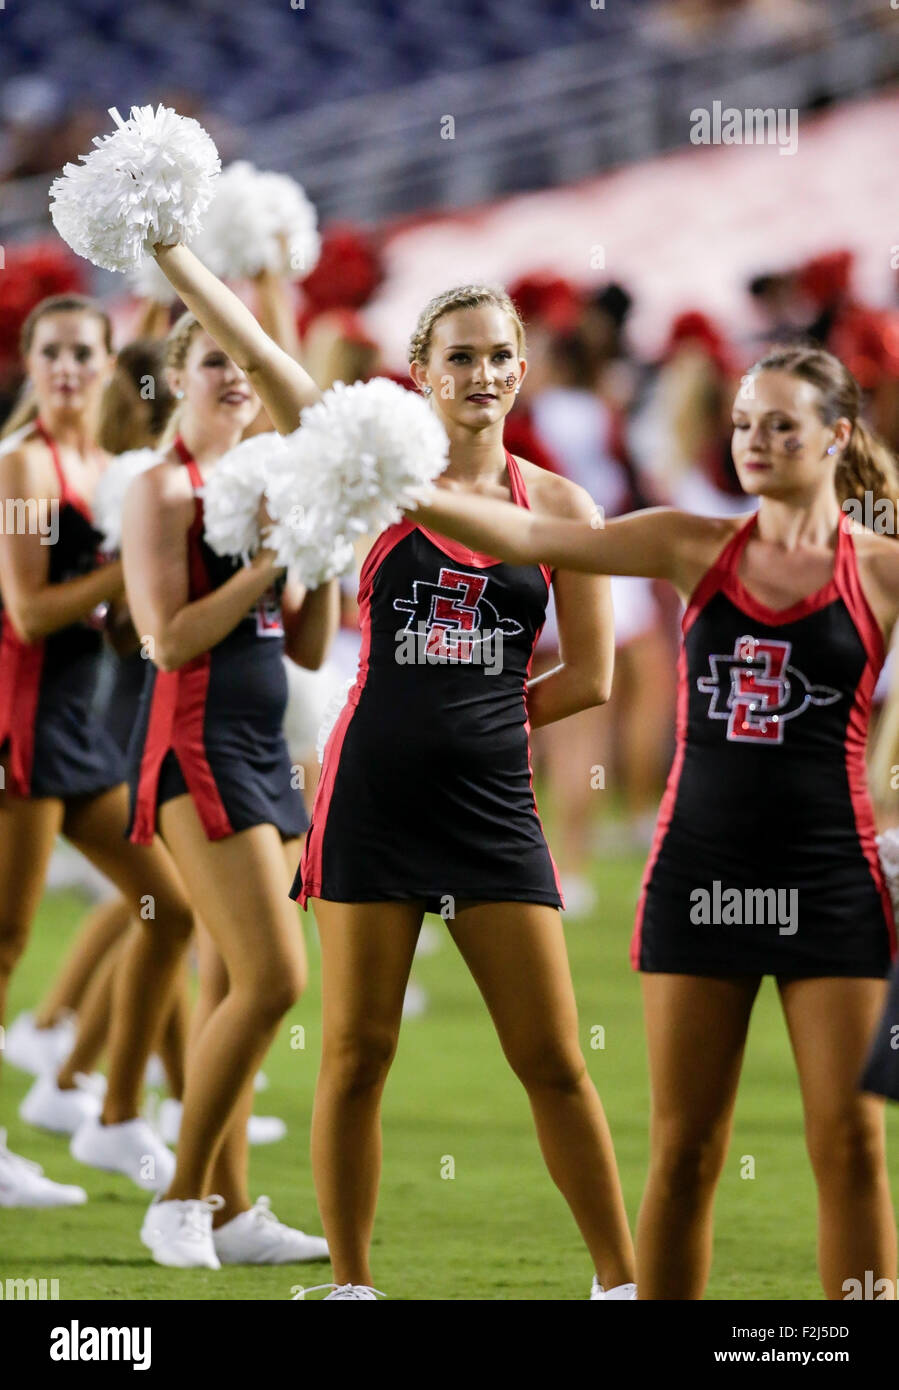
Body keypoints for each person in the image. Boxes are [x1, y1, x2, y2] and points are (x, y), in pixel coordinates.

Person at [148, 240, 636, 1301]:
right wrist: (174, 259)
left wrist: (483, 725)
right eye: (458, 358)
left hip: (492, 811)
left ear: (522, 368)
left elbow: (590, 676)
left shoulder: (561, 508)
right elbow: (273, 367)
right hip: (366, 800)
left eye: (499, 356)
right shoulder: (377, 480)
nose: (482, 375)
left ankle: (619, 1283)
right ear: (420, 372)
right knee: (356, 1054)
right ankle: (356, 1285)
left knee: (551, 1056)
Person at [410, 343, 899, 1301]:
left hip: (832, 877)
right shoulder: (690, 541)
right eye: (743, 421)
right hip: (699, 874)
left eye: (781, 424)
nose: (753, 440)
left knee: (848, 1142)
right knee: (685, 1150)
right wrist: (391, 481)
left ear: (836, 436)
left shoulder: (881, 571)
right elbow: (523, 539)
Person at [119, 308, 338, 1268]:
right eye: (216, 362)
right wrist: (261, 562)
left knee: (227, 987)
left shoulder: (265, 482)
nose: (238, 377)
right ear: (178, 377)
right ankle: (175, 1197)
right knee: (276, 977)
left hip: (260, 742)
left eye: (247, 361)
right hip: (194, 744)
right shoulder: (163, 487)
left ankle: (233, 1209)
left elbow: (311, 646)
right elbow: (165, 639)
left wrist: (319, 546)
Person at [0, 295, 194, 1205]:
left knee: (170, 906)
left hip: (75, 725)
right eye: (53, 351)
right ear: (31, 362)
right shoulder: (26, 463)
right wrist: (139, 562)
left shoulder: (105, 462)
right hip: (20, 721)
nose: (69, 366)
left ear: (112, 359)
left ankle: (114, 1114)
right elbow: (32, 611)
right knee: (5, 939)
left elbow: (110, 622)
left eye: (85, 350)